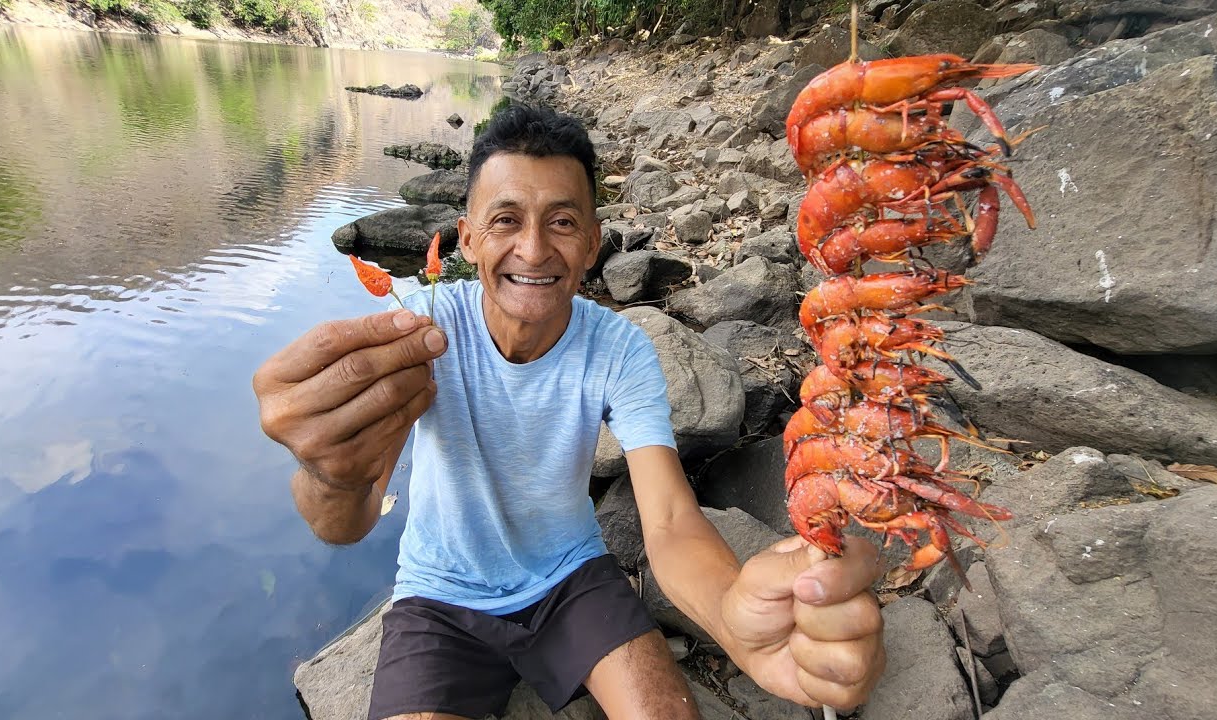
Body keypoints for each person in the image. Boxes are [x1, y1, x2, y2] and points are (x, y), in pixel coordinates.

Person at [253, 105, 885, 720]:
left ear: (592, 243)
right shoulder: (421, 337)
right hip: (438, 597)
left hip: (570, 580)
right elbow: (346, 522)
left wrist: (734, 613)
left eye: (561, 222)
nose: (533, 249)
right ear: (466, 240)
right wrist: (327, 473)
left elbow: (667, 519)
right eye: (505, 220)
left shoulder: (618, 348)